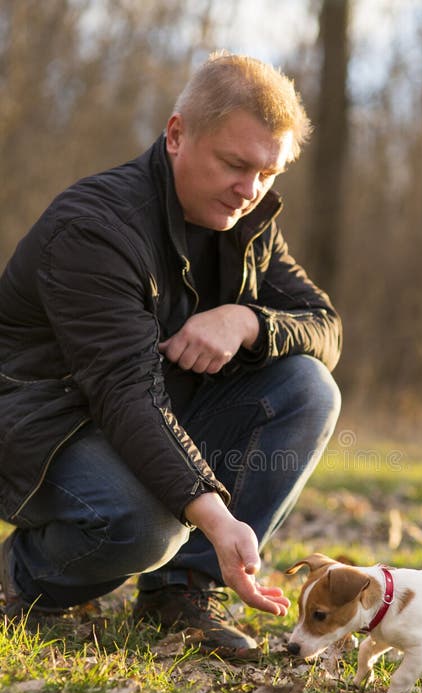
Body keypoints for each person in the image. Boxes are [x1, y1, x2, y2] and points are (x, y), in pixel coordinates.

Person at [0, 51, 342, 655]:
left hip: (140, 420)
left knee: (308, 386)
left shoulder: (250, 219)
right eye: (236, 165)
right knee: (148, 526)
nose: (251, 190)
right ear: (177, 133)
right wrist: (214, 515)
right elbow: (125, 391)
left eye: (269, 172)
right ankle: (19, 580)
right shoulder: (96, 229)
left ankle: (180, 593)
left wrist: (247, 320)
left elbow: (326, 327)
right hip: (39, 428)